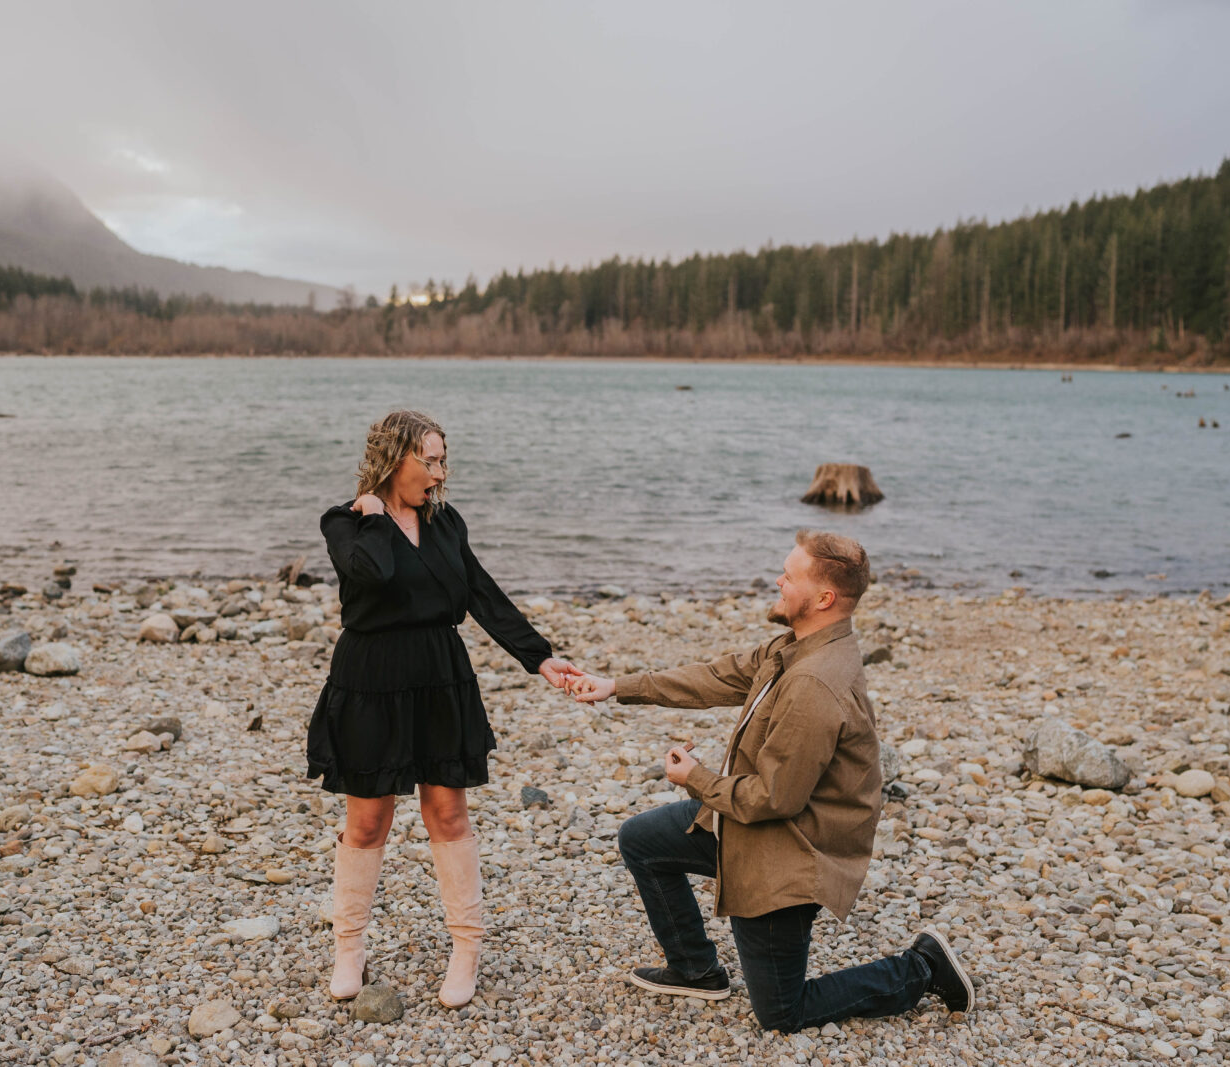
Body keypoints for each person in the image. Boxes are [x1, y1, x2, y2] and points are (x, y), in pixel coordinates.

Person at [566, 530, 974, 1032]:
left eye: (790, 575)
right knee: (643, 841)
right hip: (753, 825)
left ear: (824, 598)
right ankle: (695, 970)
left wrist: (695, 778)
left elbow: (774, 798)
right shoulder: (800, 645)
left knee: (781, 1012)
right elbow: (725, 675)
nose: (778, 581)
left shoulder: (813, 683)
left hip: (791, 853)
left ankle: (923, 967)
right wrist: (616, 687)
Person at [307, 409, 579, 1008]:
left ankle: (467, 948)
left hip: (439, 675)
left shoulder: (445, 521)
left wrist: (538, 657)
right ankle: (348, 948)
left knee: (446, 812)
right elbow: (371, 574)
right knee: (367, 820)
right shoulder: (345, 522)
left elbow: (479, 590)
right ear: (392, 459)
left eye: (441, 459)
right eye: (426, 460)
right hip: (371, 679)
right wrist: (377, 517)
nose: (438, 472)